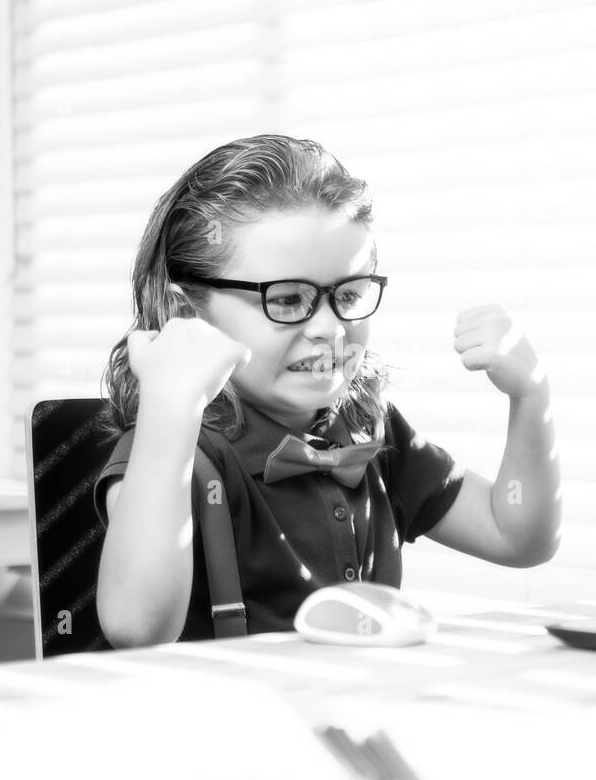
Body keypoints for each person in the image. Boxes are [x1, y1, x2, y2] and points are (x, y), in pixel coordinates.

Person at [93, 134, 561, 647]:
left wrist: (530, 396)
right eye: (289, 299)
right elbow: (137, 628)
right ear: (186, 313)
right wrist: (169, 405)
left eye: (349, 294)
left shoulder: (369, 429)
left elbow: (517, 535)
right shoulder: (174, 447)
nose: (330, 327)